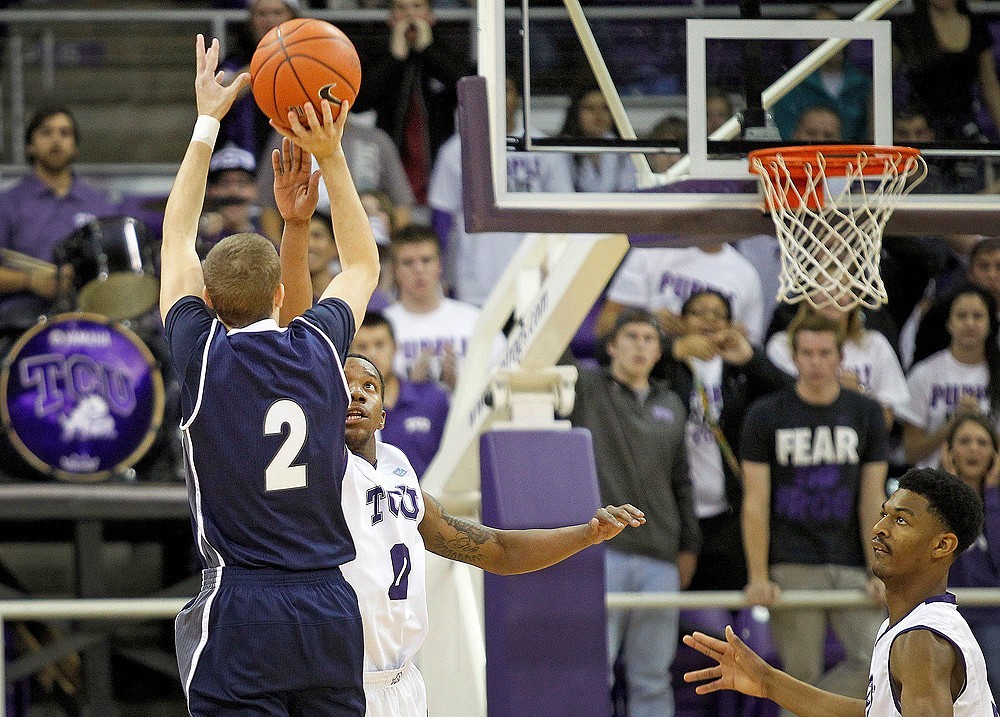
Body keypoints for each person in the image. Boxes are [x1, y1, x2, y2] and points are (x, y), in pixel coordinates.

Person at [162, 36, 379, 715]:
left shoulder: (202, 355)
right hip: (327, 603)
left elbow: (174, 238)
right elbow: (363, 263)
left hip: (244, 603)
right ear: (283, 297)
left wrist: (207, 123)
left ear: (208, 303)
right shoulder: (319, 347)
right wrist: (331, 155)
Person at [335, 353, 646, 716]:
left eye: (368, 387)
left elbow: (498, 551)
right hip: (339, 684)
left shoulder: (398, 472)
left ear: (383, 415)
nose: (355, 394)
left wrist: (586, 535)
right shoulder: (316, 471)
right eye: (343, 386)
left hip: (402, 685)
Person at [683, 467, 997, 716]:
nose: (879, 528)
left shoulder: (922, 641)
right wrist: (768, 680)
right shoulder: (906, 626)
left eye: (901, 520)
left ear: (943, 545)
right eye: (884, 513)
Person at [740, 312, 889, 716]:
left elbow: (872, 498)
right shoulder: (765, 415)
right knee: (799, 676)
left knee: (876, 664)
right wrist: (758, 574)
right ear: (794, 357)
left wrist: (880, 568)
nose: (816, 362)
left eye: (825, 353)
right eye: (807, 353)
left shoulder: (866, 413)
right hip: (791, 561)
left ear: (841, 357)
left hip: (852, 562)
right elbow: (755, 502)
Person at [568, 307, 700, 717]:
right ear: (610, 346)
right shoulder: (587, 389)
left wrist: (688, 547)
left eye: (649, 339)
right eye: (631, 337)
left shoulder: (673, 404)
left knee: (653, 679)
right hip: (603, 552)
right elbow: (551, 349)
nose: (641, 346)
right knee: (594, 671)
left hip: (661, 556)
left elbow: (682, 481)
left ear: (661, 351)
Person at [663, 290, 793, 591]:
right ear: (682, 321)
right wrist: (674, 349)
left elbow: (792, 398)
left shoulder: (740, 369)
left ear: (731, 323)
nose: (709, 318)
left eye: (719, 313)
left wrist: (751, 359)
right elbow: (609, 354)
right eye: (698, 312)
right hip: (673, 510)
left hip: (730, 513)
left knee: (727, 608)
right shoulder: (665, 366)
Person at [428, 72, 574, 307]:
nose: (498, 97)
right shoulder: (455, 151)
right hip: (473, 285)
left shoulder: (544, 149)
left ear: (518, 95)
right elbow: (441, 222)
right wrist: (442, 277)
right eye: (490, 90)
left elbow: (564, 221)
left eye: (505, 89)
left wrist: (556, 272)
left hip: (533, 282)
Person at [0, 105, 116, 338]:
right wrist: (31, 281)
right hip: (22, 322)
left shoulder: (100, 205)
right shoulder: (8, 204)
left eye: (65, 133)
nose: (56, 140)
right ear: (29, 146)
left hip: (92, 316)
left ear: (75, 147)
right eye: (46, 132)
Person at [354, 0, 471, 204]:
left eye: (417, 7)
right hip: (390, 172)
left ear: (431, 17)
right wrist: (394, 59)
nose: (409, 15)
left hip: (437, 168)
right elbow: (358, 102)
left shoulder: (447, 50)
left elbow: (468, 93)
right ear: (391, 19)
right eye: (401, 8)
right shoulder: (378, 54)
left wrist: (428, 50)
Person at [383, 225, 504, 391]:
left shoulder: (475, 320)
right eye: (408, 263)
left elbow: (503, 377)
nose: (418, 270)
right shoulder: (383, 326)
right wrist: (411, 388)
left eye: (426, 260)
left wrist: (458, 386)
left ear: (439, 265)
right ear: (395, 269)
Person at [896, 284, 1000, 468]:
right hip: (933, 485)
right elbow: (910, 453)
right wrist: (954, 422)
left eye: (977, 316)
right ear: (948, 323)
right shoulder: (924, 374)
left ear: (990, 324)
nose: (969, 323)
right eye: (961, 316)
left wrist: (978, 424)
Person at [767, 300, 910, 429]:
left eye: (841, 286)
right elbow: (779, 413)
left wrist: (857, 397)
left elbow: (885, 425)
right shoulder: (782, 345)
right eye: (825, 286)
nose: (832, 295)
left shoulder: (875, 343)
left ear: (841, 358)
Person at [598, 242, 766, 345]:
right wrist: (649, 321)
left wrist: (733, 338)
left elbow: (750, 348)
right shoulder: (651, 251)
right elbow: (602, 328)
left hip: (716, 381)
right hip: (654, 372)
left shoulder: (746, 273)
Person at [941, 414, 1000, 698]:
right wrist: (951, 495)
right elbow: (941, 557)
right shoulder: (933, 502)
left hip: (992, 615)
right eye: (964, 441)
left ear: (995, 454)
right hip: (944, 614)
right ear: (949, 452)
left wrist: (991, 493)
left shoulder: (997, 500)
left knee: (994, 678)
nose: (974, 449)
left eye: (982, 442)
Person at [350, 311, 449, 478]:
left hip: (430, 499)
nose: (372, 354)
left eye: (379, 344)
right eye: (363, 347)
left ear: (395, 347)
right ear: (350, 352)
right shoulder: (345, 408)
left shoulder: (433, 399)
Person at [894, 0, 1000, 141]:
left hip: (964, 121)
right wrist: (874, 144)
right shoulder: (909, 27)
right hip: (922, 128)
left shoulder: (976, 26)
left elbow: (990, 86)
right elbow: (880, 82)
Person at [773, 5, 872, 143]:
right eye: (823, 31)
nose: (830, 38)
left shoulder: (864, 83)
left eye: (836, 30)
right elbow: (785, 134)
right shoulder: (790, 84)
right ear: (808, 38)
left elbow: (869, 134)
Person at [218, 0, 299, 163]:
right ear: (251, 21)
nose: (269, 20)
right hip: (247, 153)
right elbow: (220, 97)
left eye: (277, 13)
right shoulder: (235, 61)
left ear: (292, 17)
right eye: (261, 14)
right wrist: (269, 56)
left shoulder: (311, 59)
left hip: (294, 144)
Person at [558, 85, 637, 193]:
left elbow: (629, 191)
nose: (598, 114)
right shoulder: (559, 150)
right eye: (590, 108)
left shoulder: (624, 150)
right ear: (576, 113)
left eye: (605, 108)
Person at [197, 144, 264, 257]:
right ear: (210, 190)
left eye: (242, 183)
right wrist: (200, 228)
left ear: (255, 189)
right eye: (224, 183)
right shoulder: (196, 246)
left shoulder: (268, 247)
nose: (233, 191)